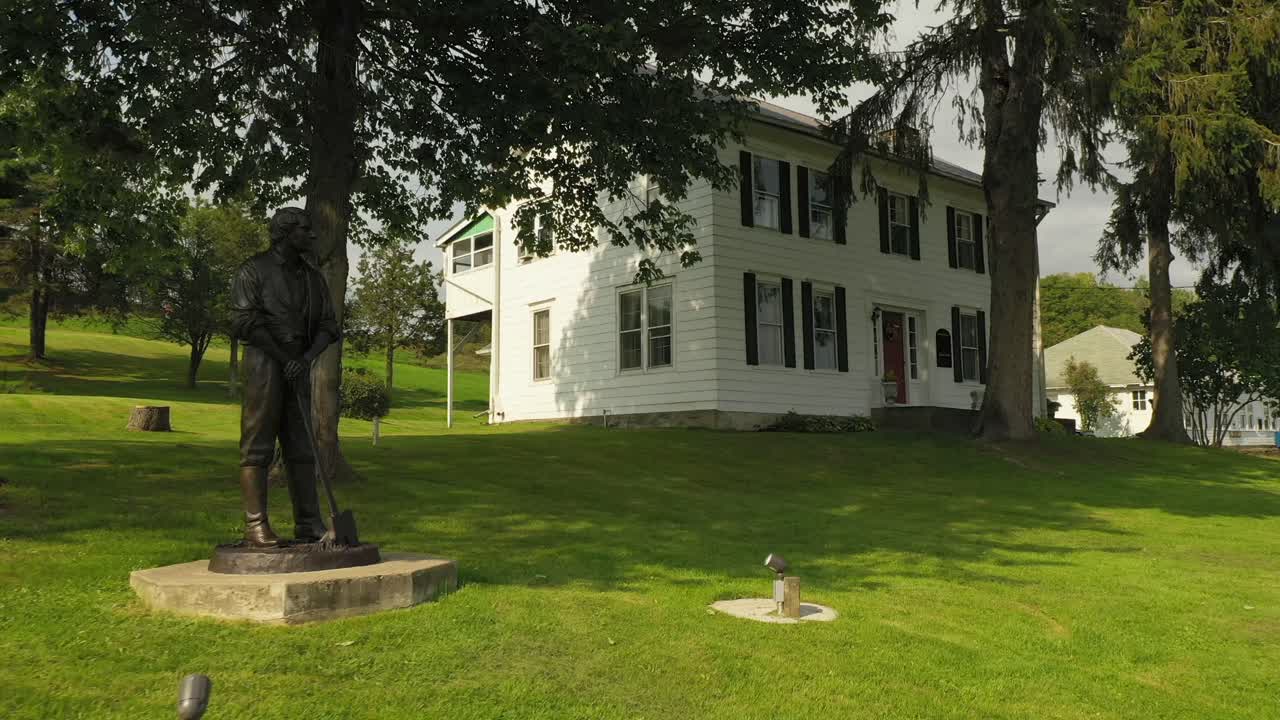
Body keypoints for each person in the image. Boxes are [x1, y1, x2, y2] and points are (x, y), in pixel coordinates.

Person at [229, 207, 340, 546]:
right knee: (257, 444)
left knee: (302, 445)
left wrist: (304, 359)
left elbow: (328, 326)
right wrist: (284, 357)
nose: (313, 235)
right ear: (286, 233)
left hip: (299, 366)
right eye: (306, 230)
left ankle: (308, 522)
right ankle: (255, 524)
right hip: (265, 363)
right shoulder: (253, 271)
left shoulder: (312, 278)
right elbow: (243, 321)